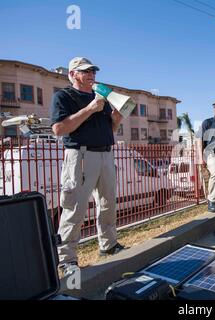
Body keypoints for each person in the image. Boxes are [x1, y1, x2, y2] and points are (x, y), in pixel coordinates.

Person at [50, 57, 125, 276]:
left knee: (108, 203)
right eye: (86, 71)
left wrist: (117, 118)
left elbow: (109, 129)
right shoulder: (63, 96)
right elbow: (59, 129)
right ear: (73, 74)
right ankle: (67, 259)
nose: (92, 74)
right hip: (81, 156)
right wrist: (91, 109)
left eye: (93, 71)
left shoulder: (99, 97)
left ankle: (109, 245)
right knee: (75, 207)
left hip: (105, 154)